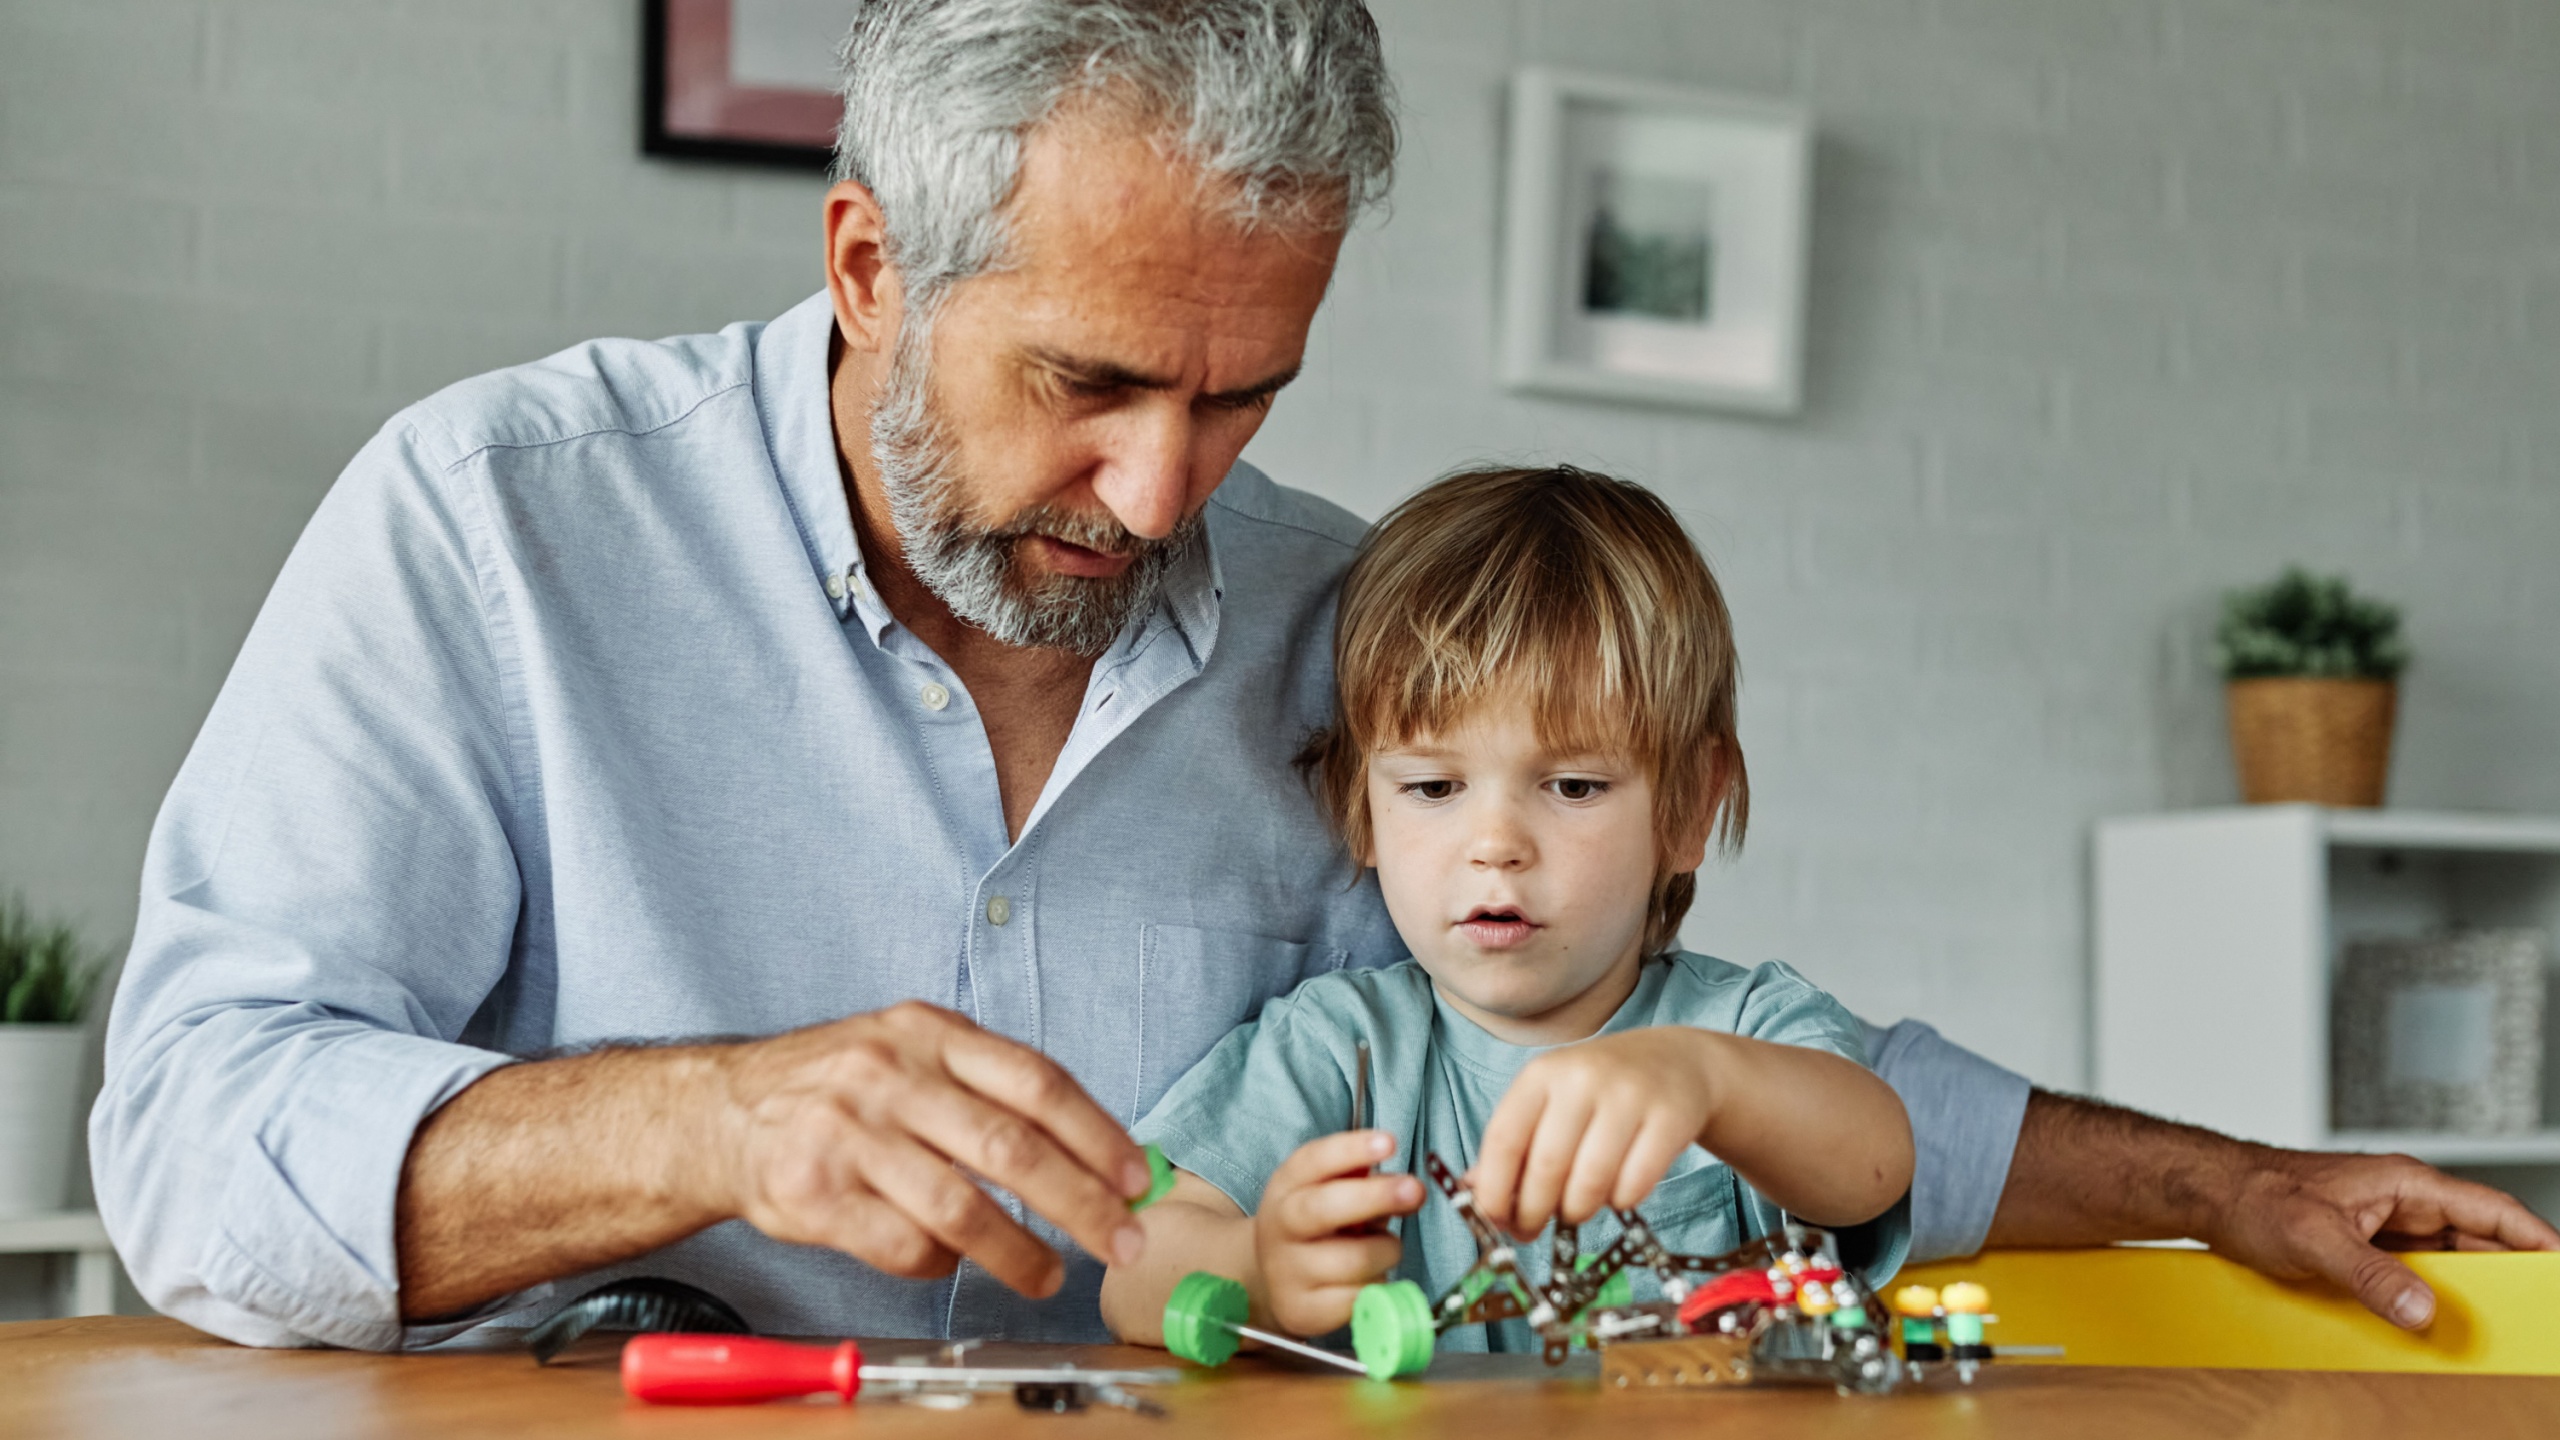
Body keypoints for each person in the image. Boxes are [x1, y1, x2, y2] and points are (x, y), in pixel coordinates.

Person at [88, 0, 2553, 1353]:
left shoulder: (1354, 620)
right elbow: (191, 1135)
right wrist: (696, 1122)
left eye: (1241, 393)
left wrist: (2229, 1181)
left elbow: (1712, 1037)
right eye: (1084, 385)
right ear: (865, 265)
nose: (1168, 498)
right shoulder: (493, 518)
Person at [1099, 466, 1915, 1353]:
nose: (1495, 843)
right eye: (1435, 785)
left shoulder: (1743, 1026)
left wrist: (1707, 1082)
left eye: (1572, 785)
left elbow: (1873, 1166)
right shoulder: (1339, 1047)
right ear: (1359, 806)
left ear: (1685, 811)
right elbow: (1136, 1272)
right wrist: (1258, 1267)